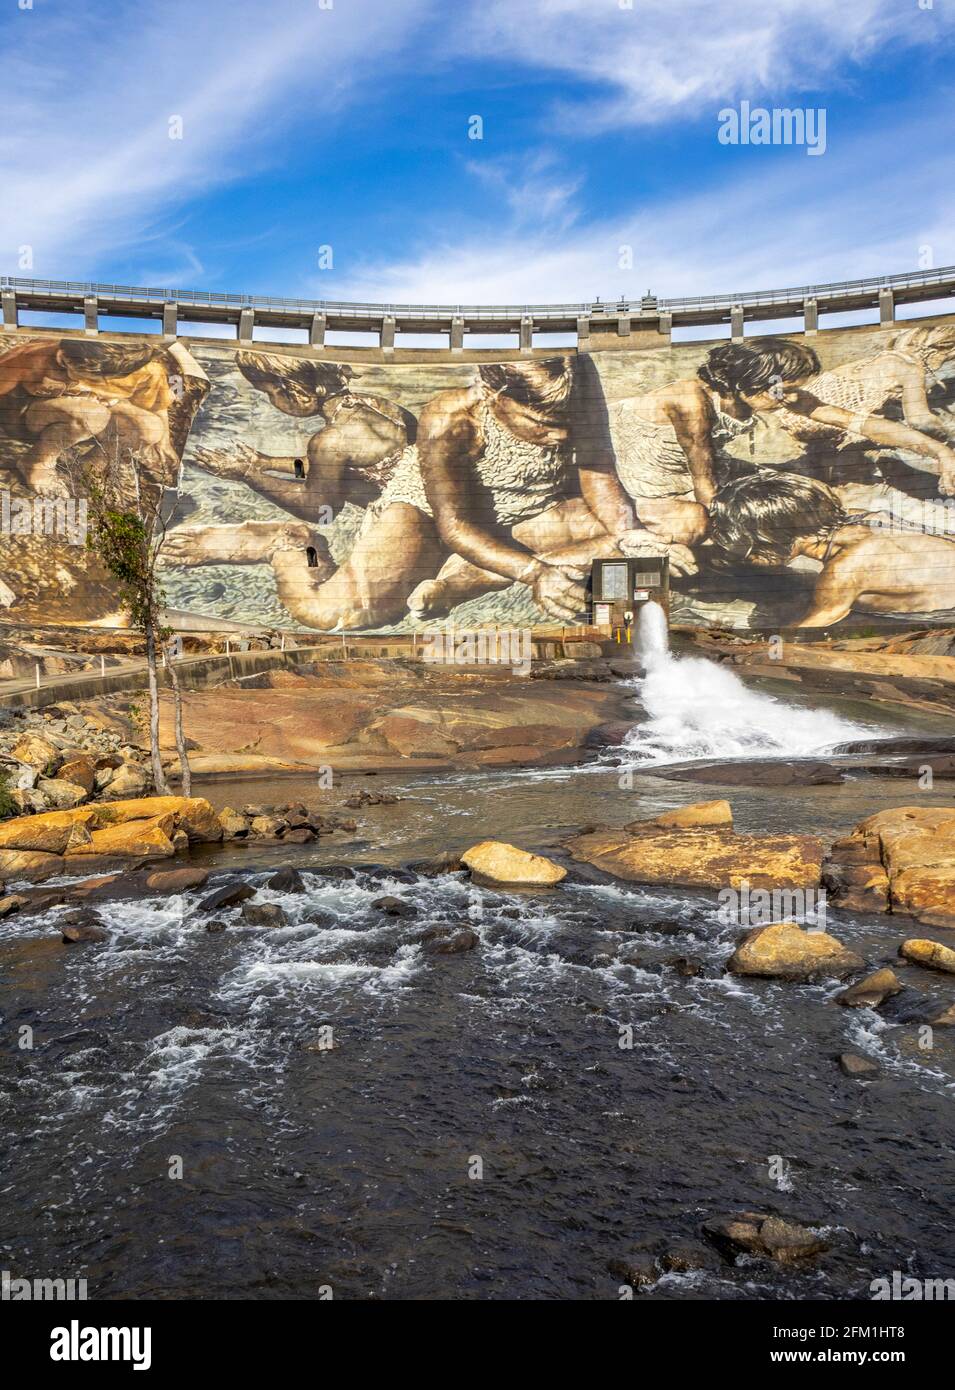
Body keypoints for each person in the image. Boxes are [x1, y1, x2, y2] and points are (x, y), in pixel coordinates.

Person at [165, 356, 694, 629]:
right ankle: (283, 542)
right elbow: (454, 525)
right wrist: (535, 571)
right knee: (335, 614)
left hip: (528, 514)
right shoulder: (450, 416)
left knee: (679, 525)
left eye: (565, 422)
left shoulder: (576, 380)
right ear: (492, 394)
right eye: (541, 422)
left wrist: (629, 537)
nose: (559, 435)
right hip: (431, 513)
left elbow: (598, 469)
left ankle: (620, 644)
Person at [698, 337, 955, 494]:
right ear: (756, 381)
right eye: (786, 388)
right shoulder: (696, 402)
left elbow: (862, 424)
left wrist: (940, 452)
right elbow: (701, 475)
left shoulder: (789, 400)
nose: (793, 396)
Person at [707, 469, 955, 626]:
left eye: (749, 549)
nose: (749, 557)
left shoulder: (842, 572)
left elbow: (804, 635)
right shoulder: (862, 518)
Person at [0, 338, 197, 493]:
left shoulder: (147, 371)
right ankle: (36, 462)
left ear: (111, 376)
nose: (60, 359)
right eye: (62, 360)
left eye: (70, 367)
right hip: (30, 417)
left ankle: (88, 469)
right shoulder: (31, 357)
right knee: (92, 415)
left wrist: (165, 444)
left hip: (92, 416)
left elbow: (157, 407)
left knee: (150, 427)